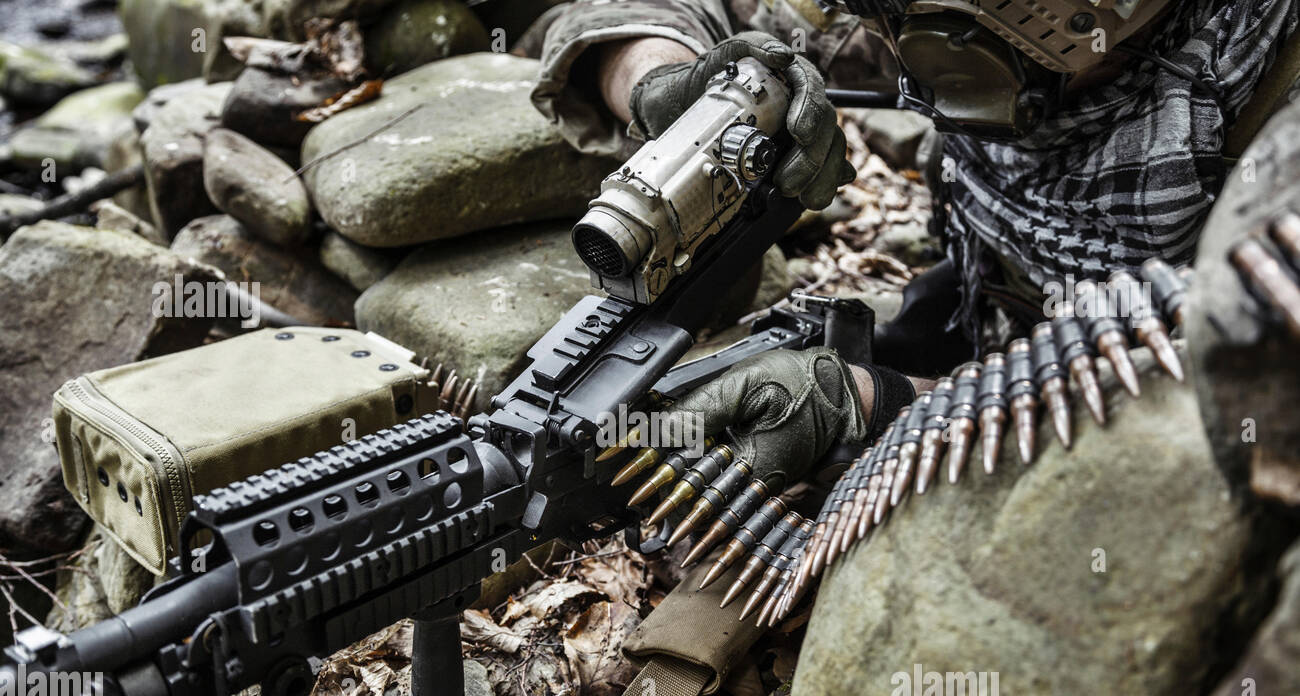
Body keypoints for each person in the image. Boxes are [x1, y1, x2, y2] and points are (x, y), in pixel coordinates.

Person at [532, 0, 1300, 482]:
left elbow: (1230, 442)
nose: (904, 51)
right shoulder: (924, 26)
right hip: (997, 315)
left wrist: (887, 408)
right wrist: (675, 87)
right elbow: (622, 14)